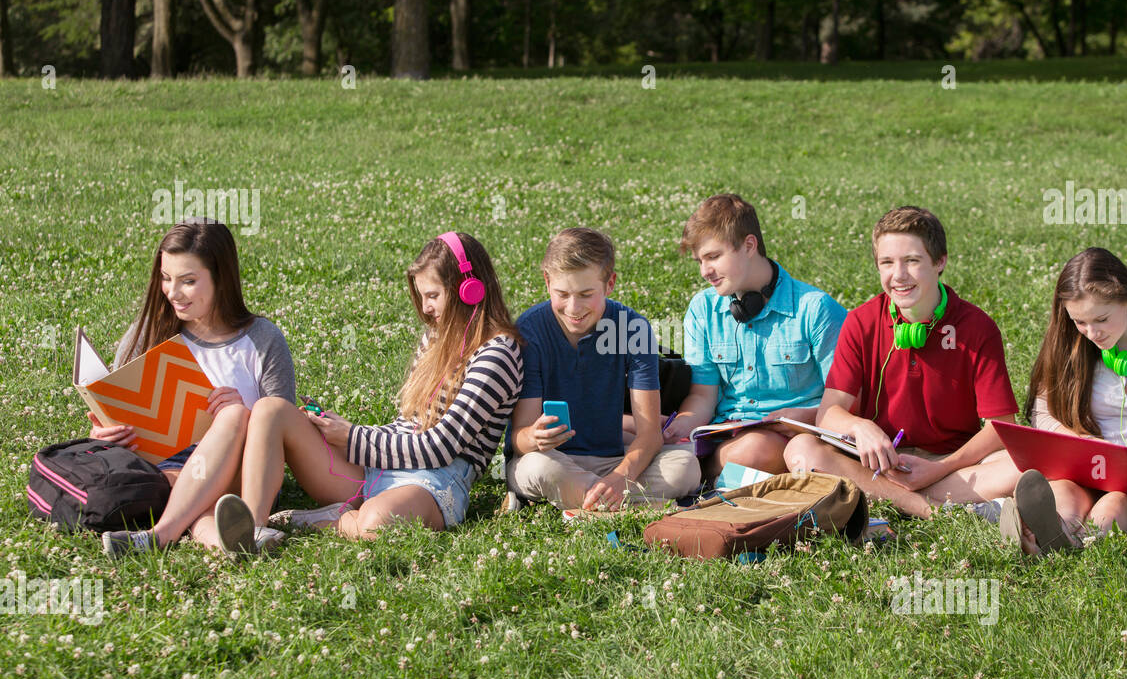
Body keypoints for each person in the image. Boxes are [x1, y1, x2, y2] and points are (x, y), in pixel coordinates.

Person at [212, 232, 523, 547]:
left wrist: (351, 437)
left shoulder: (497, 352)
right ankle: (251, 529)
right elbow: (408, 423)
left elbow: (440, 447)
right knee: (271, 410)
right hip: (387, 458)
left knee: (375, 523)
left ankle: (331, 519)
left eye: (433, 296)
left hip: (437, 479)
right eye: (422, 297)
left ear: (469, 289)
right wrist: (333, 431)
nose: (426, 309)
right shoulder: (437, 335)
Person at [783, 206, 1020, 517]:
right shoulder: (860, 322)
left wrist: (940, 468)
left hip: (953, 464)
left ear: (940, 262)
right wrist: (861, 427)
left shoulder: (977, 327)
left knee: (1023, 463)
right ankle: (941, 512)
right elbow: (828, 414)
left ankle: (891, 500)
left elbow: (1002, 428)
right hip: (879, 464)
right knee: (800, 449)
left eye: (912, 261)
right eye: (887, 263)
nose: (898, 275)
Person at [98, 219, 296, 558]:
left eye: (188, 281)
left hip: (240, 478)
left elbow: (284, 429)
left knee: (232, 415)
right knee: (206, 508)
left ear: (221, 278)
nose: (173, 293)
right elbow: (119, 411)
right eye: (166, 278)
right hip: (162, 470)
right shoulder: (146, 333)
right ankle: (235, 545)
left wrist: (243, 410)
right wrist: (103, 432)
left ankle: (158, 536)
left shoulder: (262, 339)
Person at [1000, 247, 1127, 555]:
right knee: (1063, 497)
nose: (1091, 333)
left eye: (1101, 319)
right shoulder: (1071, 335)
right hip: (1086, 465)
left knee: (1111, 509)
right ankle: (1049, 530)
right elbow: (1043, 411)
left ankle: (1059, 542)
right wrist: (1079, 443)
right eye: (1080, 322)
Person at [506, 227, 700, 512]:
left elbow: (649, 435)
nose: (574, 308)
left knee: (686, 468)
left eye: (586, 294)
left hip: (612, 459)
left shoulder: (631, 328)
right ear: (547, 282)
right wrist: (534, 437)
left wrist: (620, 478)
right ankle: (627, 505)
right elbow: (519, 440)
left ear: (610, 284)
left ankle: (590, 502)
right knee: (539, 469)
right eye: (562, 293)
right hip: (551, 459)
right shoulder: (530, 330)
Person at [661, 194, 847, 480]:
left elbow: (847, 400)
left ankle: (706, 483)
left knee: (758, 450)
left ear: (749, 245)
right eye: (700, 261)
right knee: (642, 435)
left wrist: (806, 417)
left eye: (713, 257)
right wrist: (679, 428)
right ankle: (714, 477)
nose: (704, 271)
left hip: (800, 435)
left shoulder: (815, 309)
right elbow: (702, 395)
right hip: (728, 435)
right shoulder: (702, 309)